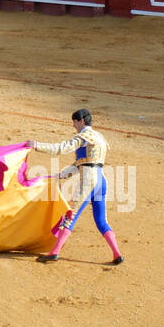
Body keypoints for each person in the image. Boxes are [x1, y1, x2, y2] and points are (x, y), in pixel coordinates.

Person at [26, 109, 123, 265]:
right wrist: (61, 175)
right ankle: (117, 254)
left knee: (70, 216)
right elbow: (82, 163)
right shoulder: (100, 137)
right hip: (101, 180)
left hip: (89, 181)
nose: (73, 125)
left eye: (75, 122)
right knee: (101, 220)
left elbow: (61, 149)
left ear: (82, 121)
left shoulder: (83, 136)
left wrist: (37, 145)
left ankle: (54, 252)